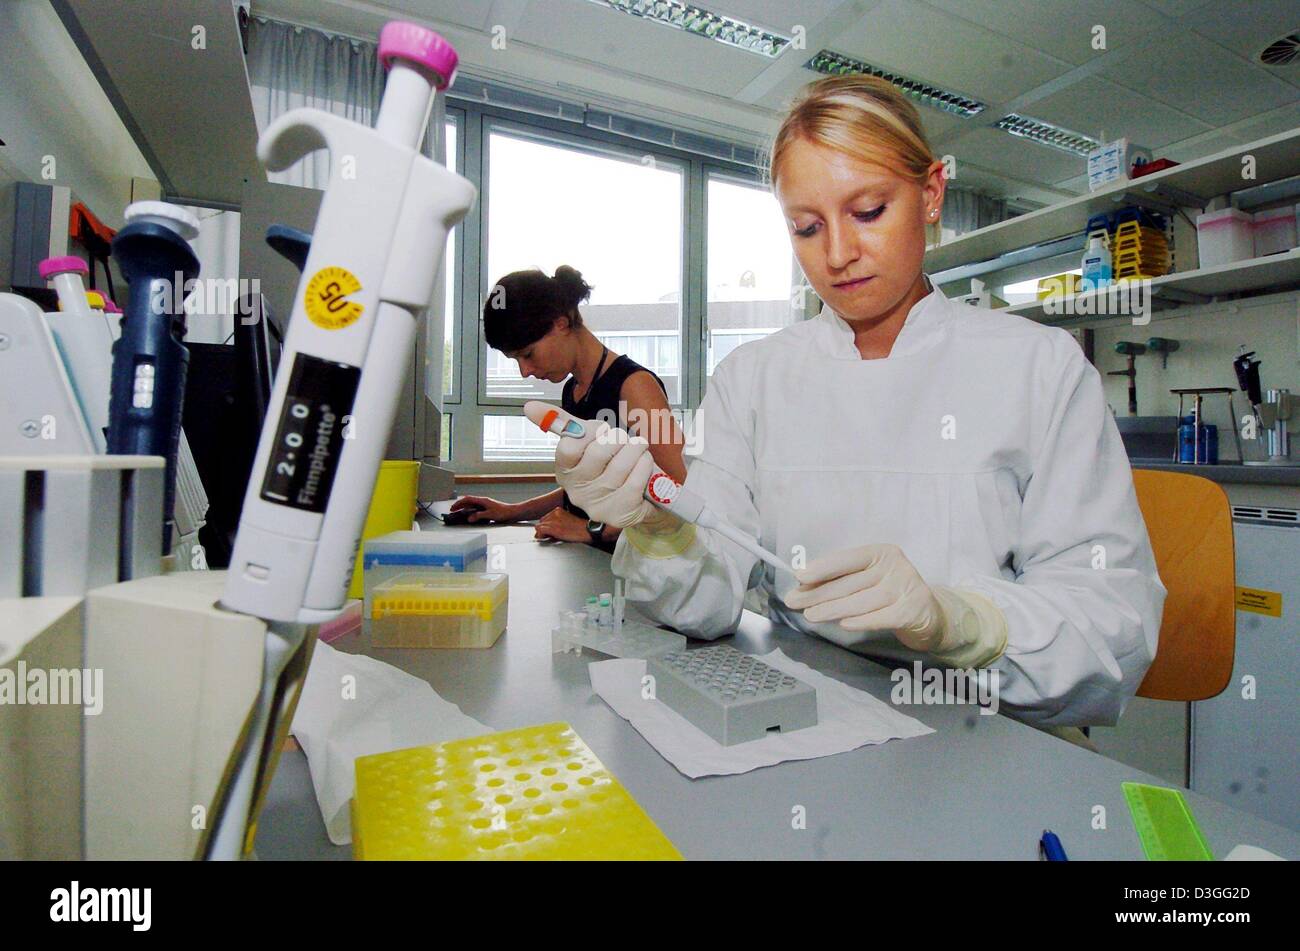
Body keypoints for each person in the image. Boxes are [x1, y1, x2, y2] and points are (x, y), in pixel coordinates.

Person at [549, 76, 1165, 728]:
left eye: (868, 211)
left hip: (992, 727)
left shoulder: (1039, 369)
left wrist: (962, 621)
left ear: (930, 193)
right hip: (804, 714)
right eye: (807, 227)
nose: (838, 254)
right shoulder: (753, 378)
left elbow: (1114, 628)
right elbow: (706, 603)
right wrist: (659, 527)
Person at [452, 265, 686, 552]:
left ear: (560, 323)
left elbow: (680, 492)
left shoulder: (635, 386)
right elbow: (589, 486)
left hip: (630, 565)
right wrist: (512, 511)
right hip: (589, 557)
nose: (524, 371)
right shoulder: (573, 391)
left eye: (527, 354)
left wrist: (594, 530)